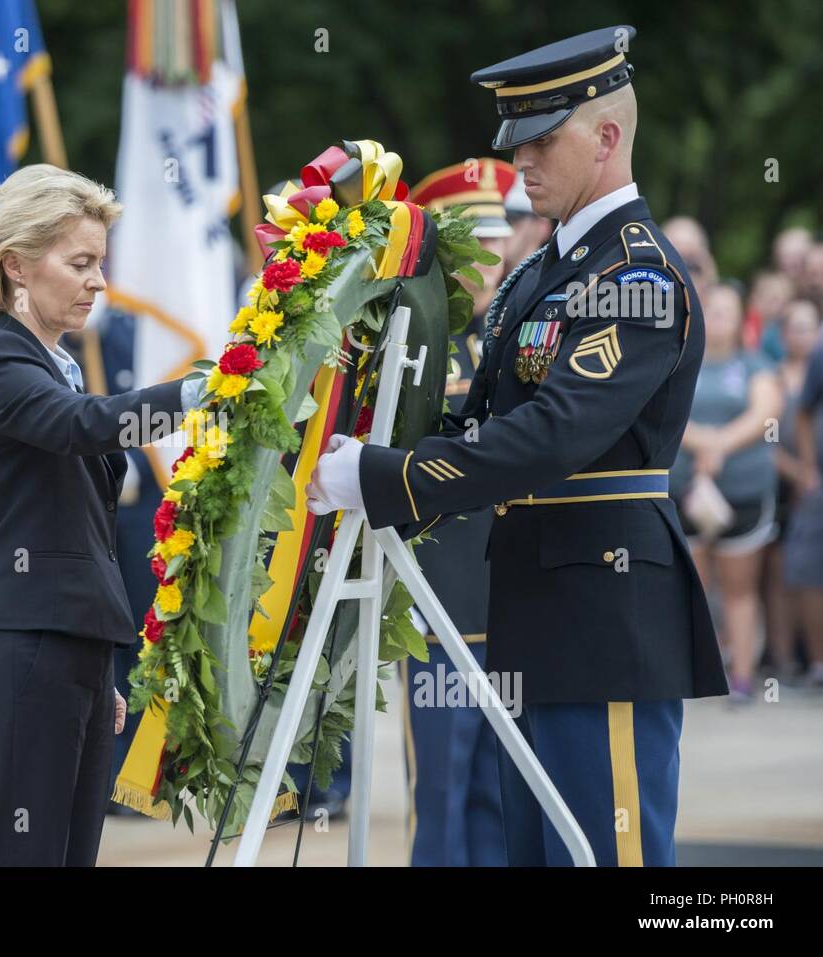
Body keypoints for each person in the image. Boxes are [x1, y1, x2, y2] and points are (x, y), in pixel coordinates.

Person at [308, 26, 727, 866]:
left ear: (606, 138)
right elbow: (479, 420)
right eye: (515, 142)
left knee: (608, 856)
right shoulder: (543, 274)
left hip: (605, 613)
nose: (521, 162)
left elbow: (549, 435)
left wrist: (385, 477)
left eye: (541, 141)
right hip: (532, 607)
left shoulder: (636, 279)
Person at [0, 164, 199, 866]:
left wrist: (100, 665)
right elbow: (82, 425)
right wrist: (203, 393)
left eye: (101, 264)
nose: (99, 282)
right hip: (19, 647)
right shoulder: (2, 356)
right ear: (17, 267)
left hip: (70, 648)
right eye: (80, 262)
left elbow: (80, 527)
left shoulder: (54, 363)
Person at [398, 158, 519, 866]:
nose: (493, 255)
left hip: (506, 594)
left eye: (499, 237)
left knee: (499, 793)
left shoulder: (504, 340)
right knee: (442, 795)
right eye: (478, 238)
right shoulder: (416, 345)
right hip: (440, 599)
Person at [670, 283, 782, 704]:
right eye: (709, 309)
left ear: (740, 319)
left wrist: (718, 445)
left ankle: (742, 678)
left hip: (742, 491)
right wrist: (704, 444)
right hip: (684, 488)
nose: (716, 317)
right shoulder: (680, 361)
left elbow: (766, 413)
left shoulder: (754, 365)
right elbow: (666, 411)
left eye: (725, 311)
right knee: (690, 588)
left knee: (739, 588)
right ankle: (690, 677)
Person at [766, 300, 821, 677]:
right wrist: (804, 471)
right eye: (794, 327)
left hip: (804, 484)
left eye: (808, 326)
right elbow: (776, 432)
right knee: (792, 573)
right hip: (790, 489)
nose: (801, 335)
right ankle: (802, 662)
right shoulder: (773, 377)